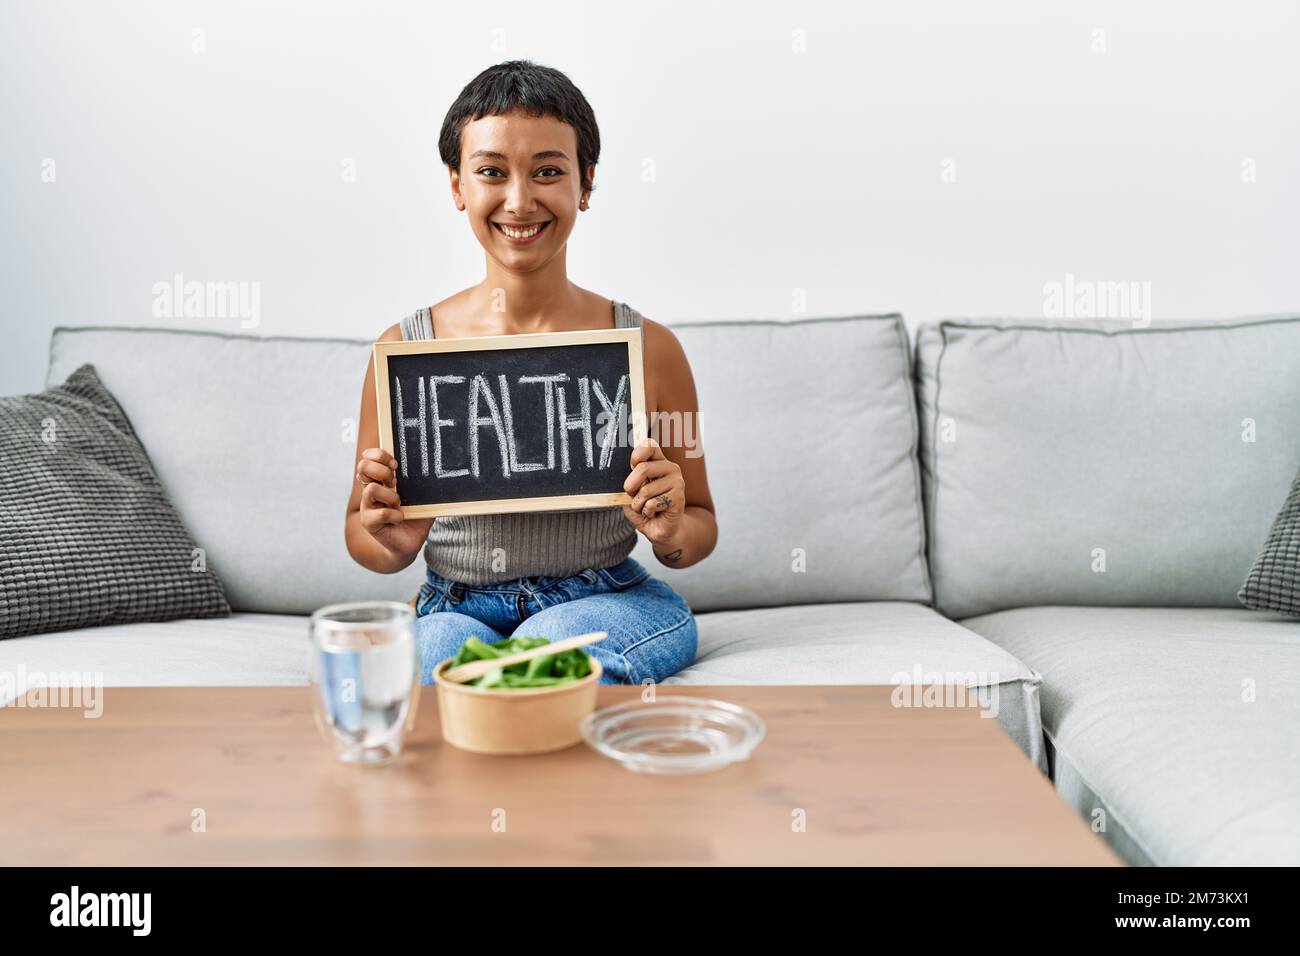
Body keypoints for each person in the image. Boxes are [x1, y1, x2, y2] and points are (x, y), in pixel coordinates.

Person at [345, 60, 717, 686]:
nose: (520, 200)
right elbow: (363, 535)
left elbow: (697, 530)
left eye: (548, 171)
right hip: (453, 603)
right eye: (492, 171)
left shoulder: (652, 349)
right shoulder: (405, 350)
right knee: (425, 662)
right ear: (458, 185)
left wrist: (672, 527)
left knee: (550, 655)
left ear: (586, 184)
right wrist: (393, 540)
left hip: (605, 596)